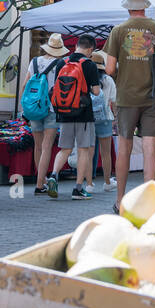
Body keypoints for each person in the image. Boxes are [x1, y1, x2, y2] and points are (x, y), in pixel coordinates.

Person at [103, 0, 155, 214]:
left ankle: (121, 201)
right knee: (151, 149)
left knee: (124, 148)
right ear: (145, 5)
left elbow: (110, 68)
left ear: (128, 6)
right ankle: (149, 202)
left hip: (126, 96)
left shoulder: (118, 30)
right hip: (153, 96)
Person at [44, 36, 101, 199]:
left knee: (65, 149)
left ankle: (54, 175)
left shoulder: (62, 62)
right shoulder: (89, 65)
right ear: (90, 49)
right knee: (83, 150)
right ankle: (77, 189)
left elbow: (56, 88)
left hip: (65, 112)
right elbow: (96, 91)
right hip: (84, 114)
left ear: (76, 46)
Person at [28, 34, 67, 195]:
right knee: (46, 147)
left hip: (34, 108)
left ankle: (41, 180)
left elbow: (26, 84)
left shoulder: (34, 62)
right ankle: (39, 184)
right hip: (51, 108)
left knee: (38, 146)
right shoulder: (61, 63)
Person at [90, 49, 117, 193]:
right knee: (105, 153)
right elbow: (114, 101)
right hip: (106, 118)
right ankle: (107, 182)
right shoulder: (109, 80)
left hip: (89, 118)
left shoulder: (86, 78)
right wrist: (116, 117)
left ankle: (89, 183)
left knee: (88, 151)